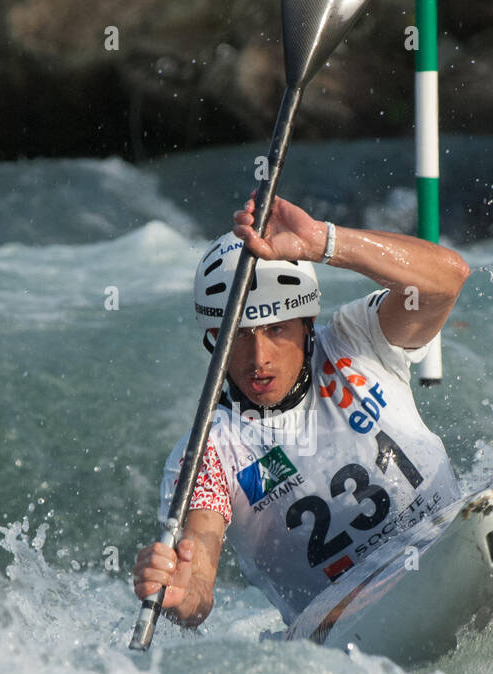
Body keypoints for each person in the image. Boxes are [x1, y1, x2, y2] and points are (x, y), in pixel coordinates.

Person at [133, 193, 470, 628]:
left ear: (308, 323)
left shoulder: (358, 342)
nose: (259, 358)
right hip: (354, 623)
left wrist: (324, 242)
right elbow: (200, 572)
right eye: (238, 336)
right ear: (212, 342)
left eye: (276, 330)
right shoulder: (207, 452)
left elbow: (448, 279)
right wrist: (181, 593)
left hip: (448, 543)